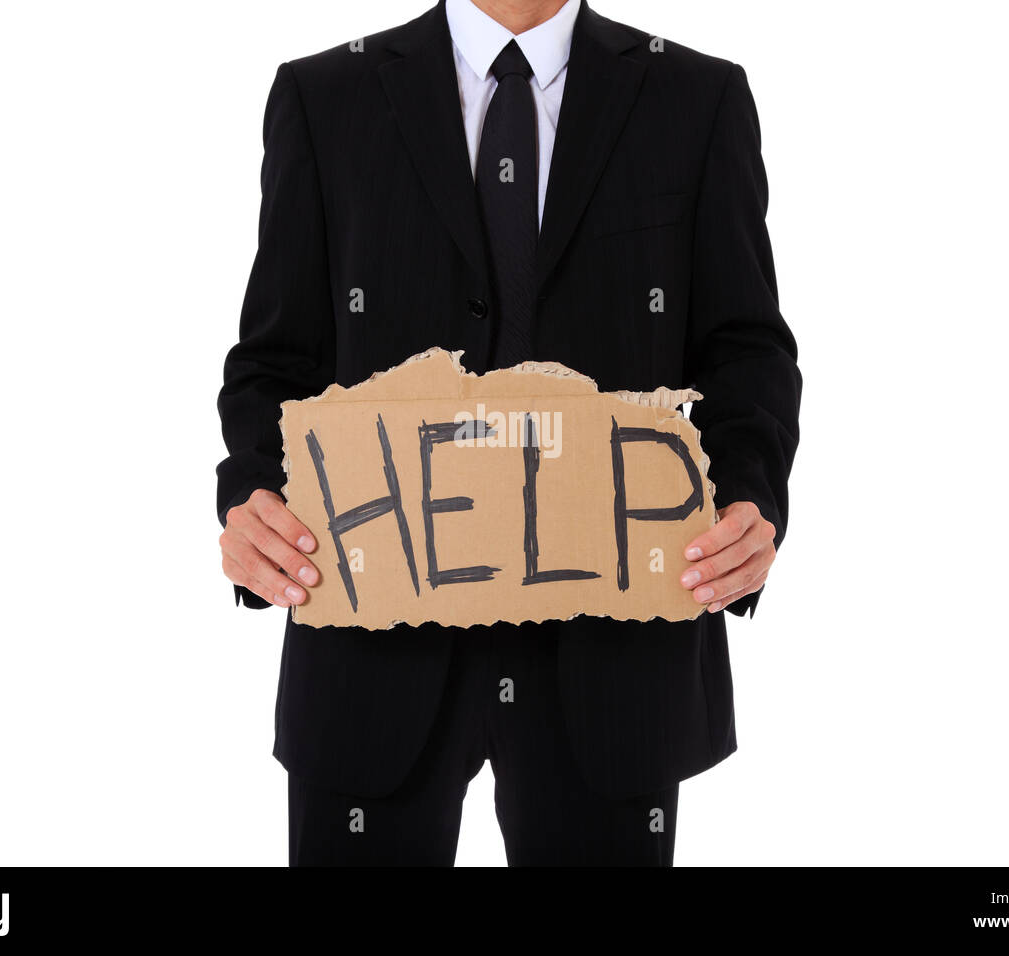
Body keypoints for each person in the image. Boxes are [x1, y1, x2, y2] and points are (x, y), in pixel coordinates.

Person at [216, 0, 801, 866]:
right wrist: (252, 494)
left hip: (611, 658)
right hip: (375, 647)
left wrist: (750, 494)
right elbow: (276, 361)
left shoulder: (696, 97)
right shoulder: (324, 96)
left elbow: (744, 348)